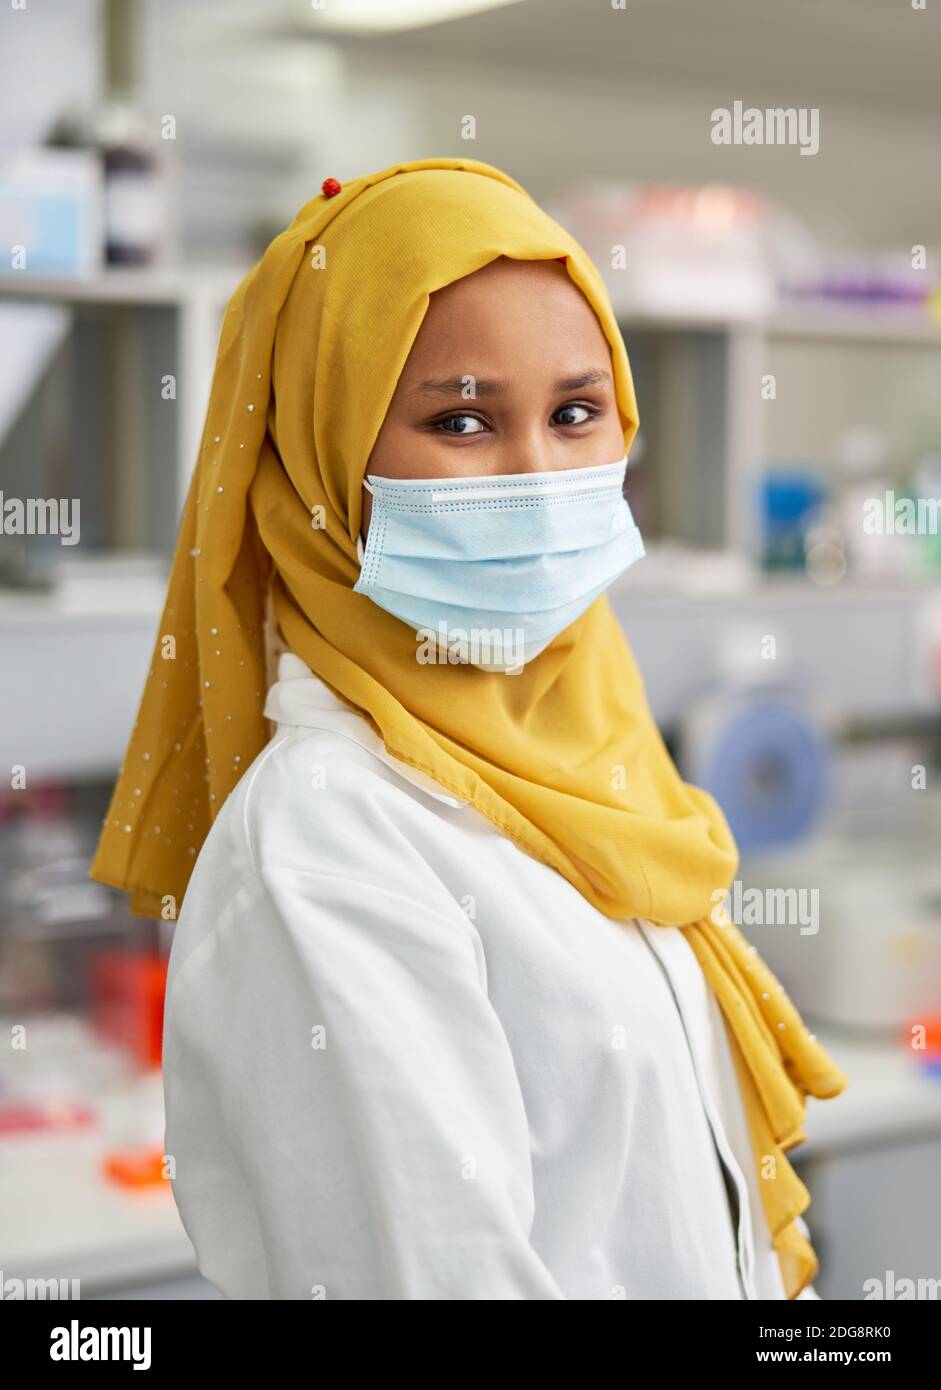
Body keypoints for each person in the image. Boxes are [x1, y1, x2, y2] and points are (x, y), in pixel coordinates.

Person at [89, 157, 849, 1301]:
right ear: (321, 465)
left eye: (575, 412)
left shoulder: (597, 769)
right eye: (460, 417)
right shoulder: (326, 843)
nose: (537, 473)